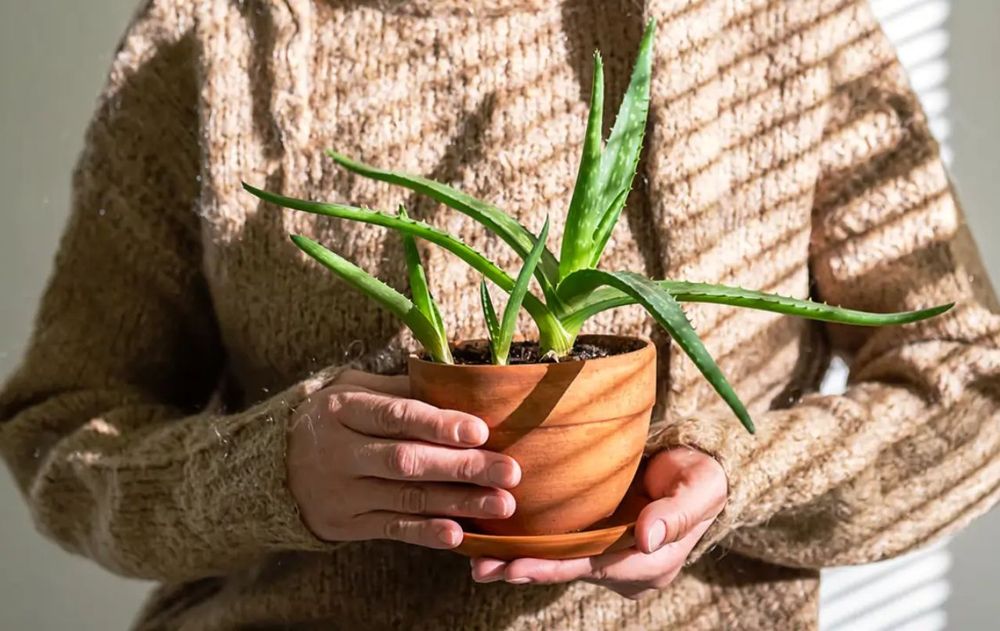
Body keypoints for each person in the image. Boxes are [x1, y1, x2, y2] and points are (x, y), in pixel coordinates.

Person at [1, 0, 998, 628]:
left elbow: (970, 385)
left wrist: (736, 476)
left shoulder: (775, 20)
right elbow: (62, 431)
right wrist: (270, 473)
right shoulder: (214, 36)